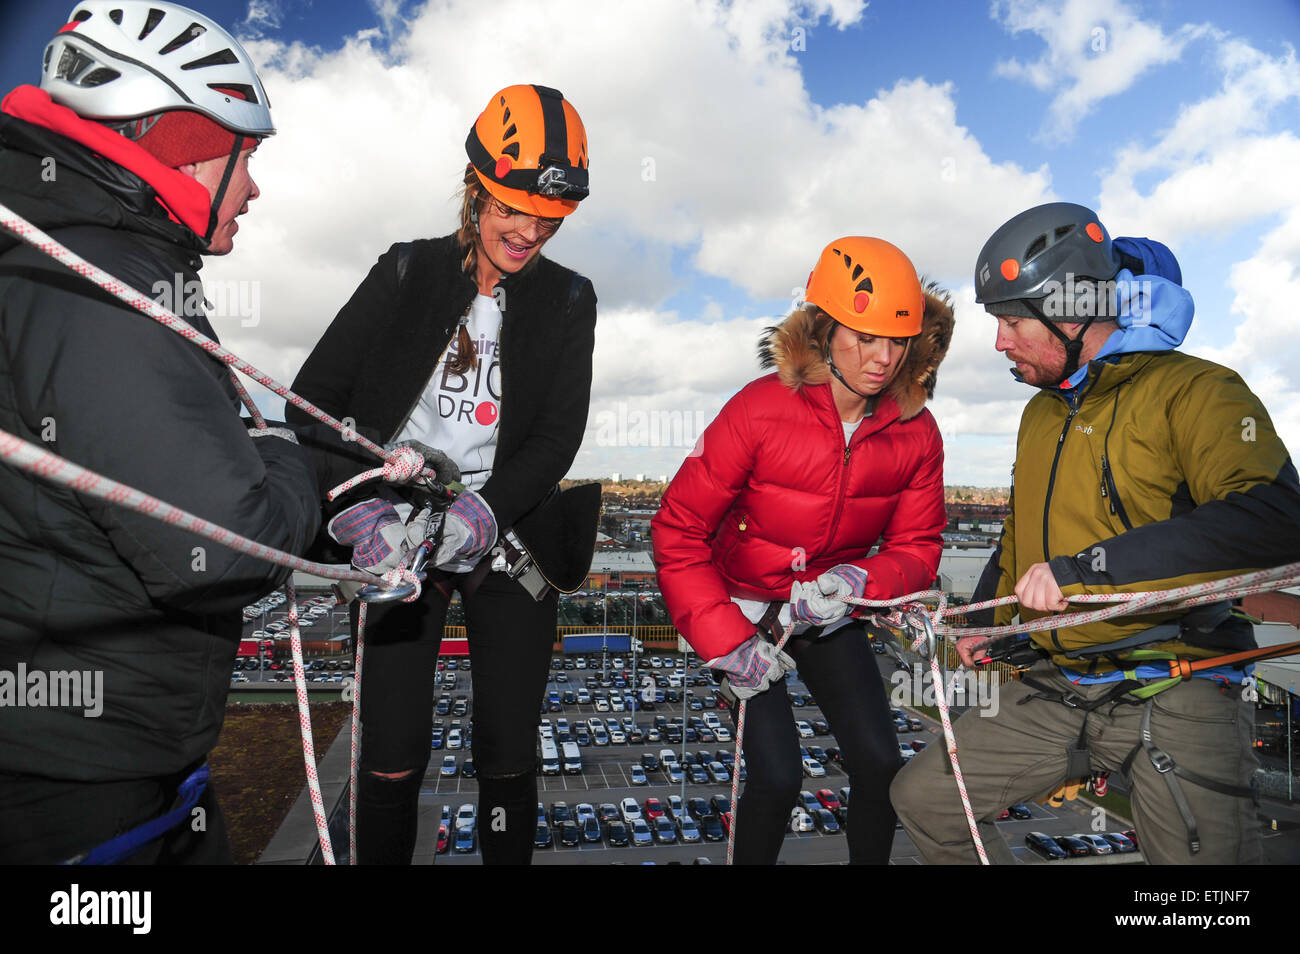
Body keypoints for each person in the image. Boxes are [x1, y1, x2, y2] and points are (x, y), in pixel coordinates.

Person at [0, 1, 321, 864]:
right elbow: (219, 549)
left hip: (84, 751)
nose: (253, 186)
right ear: (182, 140)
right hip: (77, 782)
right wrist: (295, 465)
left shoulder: (64, 249)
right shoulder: (100, 285)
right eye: (245, 155)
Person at [892, 201, 1300, 864]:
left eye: (1013, 321)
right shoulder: (1041, 416)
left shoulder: (1197, 391)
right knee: (927, 798)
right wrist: (986, 621)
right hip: (1063, 684)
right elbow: (1022, 536)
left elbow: (1275, 518)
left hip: (1179, 682)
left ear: (1072, 312)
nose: (1000, 342)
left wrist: (1086, 573)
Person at [287, 84, 598, 865]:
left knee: (507, 750)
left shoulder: (568, 300)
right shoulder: (407, 273)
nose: (528, 232)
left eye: (548, 219)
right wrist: (363, 516)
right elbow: (313, 404)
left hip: (508, 533)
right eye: (510, 209)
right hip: (397, 531)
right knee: (390, 748)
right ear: (474, 190)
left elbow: (557, 435)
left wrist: (483, 514)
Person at [652, 237, 954, 864]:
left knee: (879, 766)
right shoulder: (760, 409)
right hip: (741, 611)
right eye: (864, 337)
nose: (882, 358)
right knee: (777, 775)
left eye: (897, 341)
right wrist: (726, 641)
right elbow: (677, 530)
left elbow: (918, 547)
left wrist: (856, 581)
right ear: (823, 332)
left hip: (828, 609)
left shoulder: (916, 431)